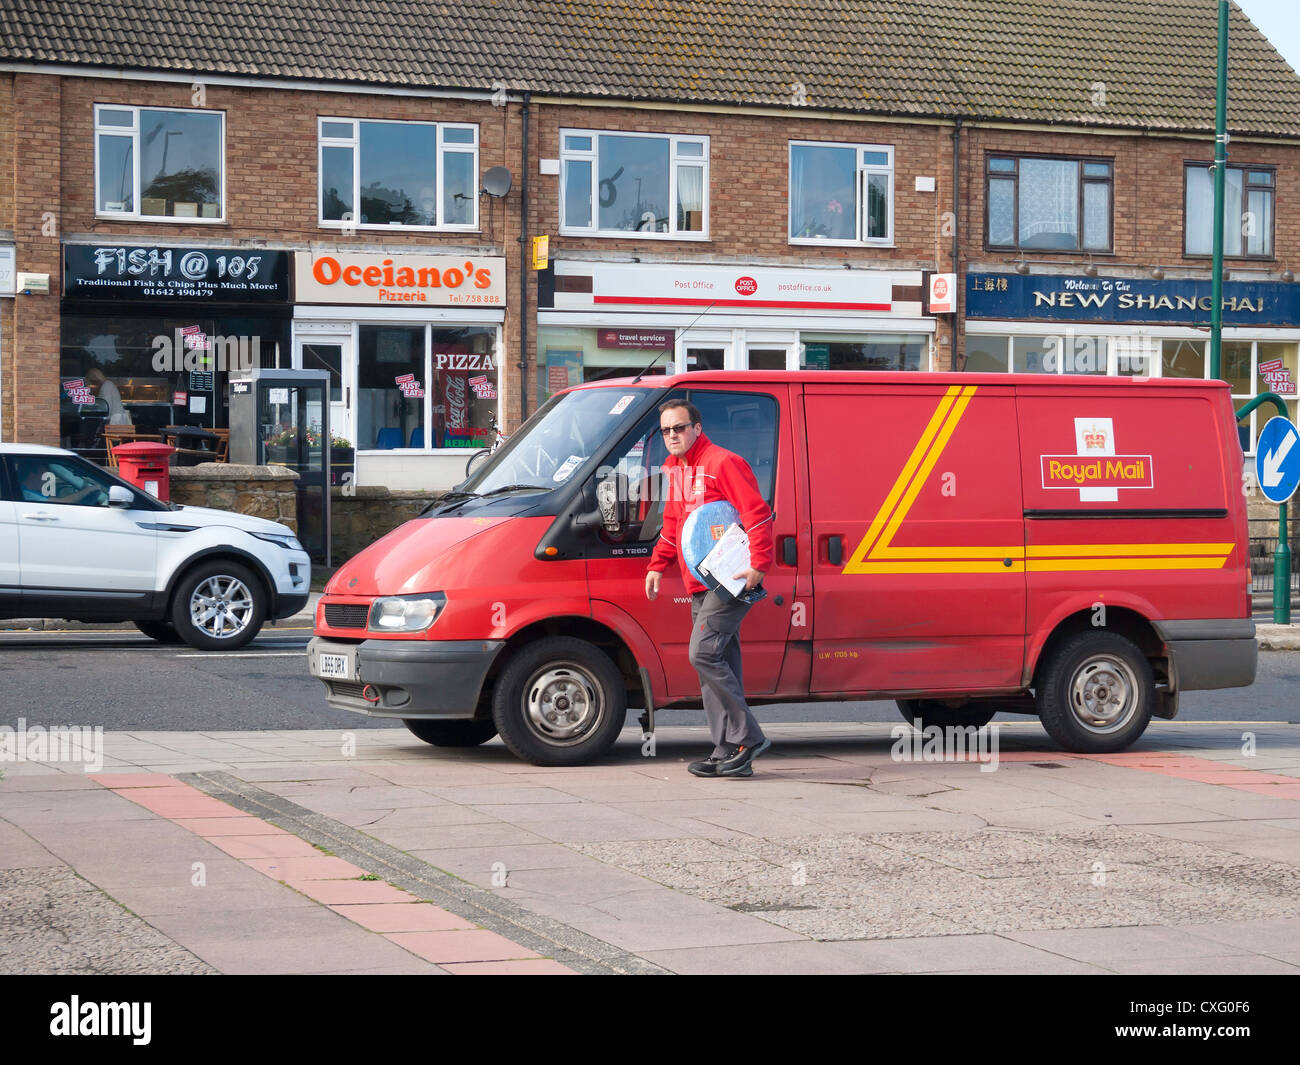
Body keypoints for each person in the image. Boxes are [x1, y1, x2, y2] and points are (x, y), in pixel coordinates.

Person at [645, 399, 775, 778]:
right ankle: (728, 750)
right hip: (700, 581)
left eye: (679, 428)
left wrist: (759, 563)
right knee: (718, 663)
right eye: (667, 430)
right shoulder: (674, 469)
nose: (673, 435)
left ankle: (748, 737)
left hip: (732, 578)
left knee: (702, 653)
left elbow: (756, 513)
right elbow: (673, 525)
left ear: (697, 429)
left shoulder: (722, 462)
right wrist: (657, 566)